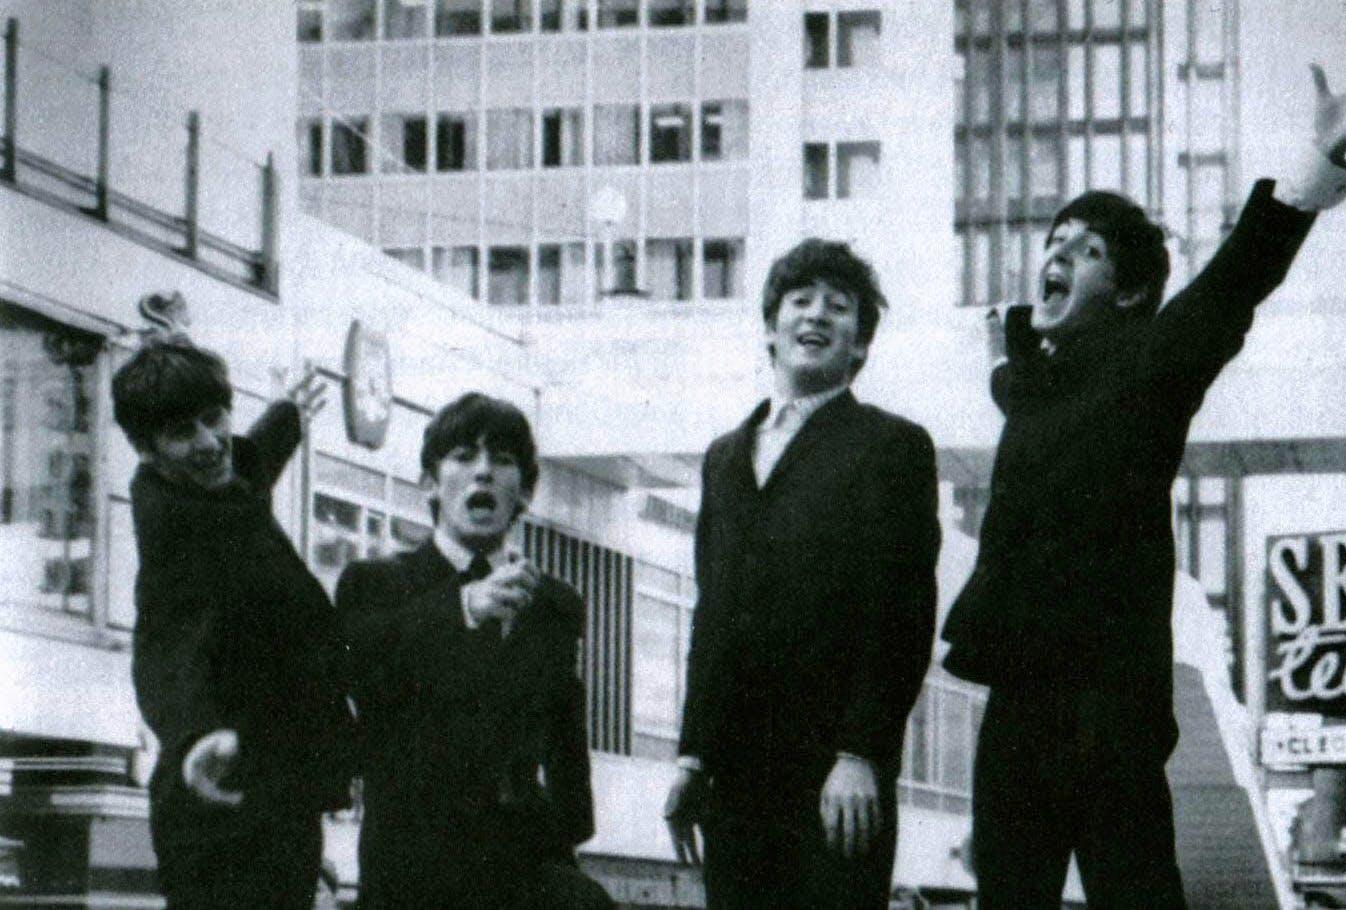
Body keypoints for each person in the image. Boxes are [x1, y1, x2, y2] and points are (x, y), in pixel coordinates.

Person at [938, 42, 1346, 908]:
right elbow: (1020, 387)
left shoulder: (1148, 365)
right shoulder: (1035, 390)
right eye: (1056, 241)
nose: (1059, 253)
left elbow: (1236, 279)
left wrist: (1319, 158)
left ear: (1127, 292)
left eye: (1085, 250)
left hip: (1107, 715)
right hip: (1018, 710)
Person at [663, 239, 941, 909]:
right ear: (770, 327)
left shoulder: (891, 447)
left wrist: (861, 753)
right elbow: (713, 615)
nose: (816, 316)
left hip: (834, 780)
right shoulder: (723, 458)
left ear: (860, 346)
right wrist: (691, 757)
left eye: (838, 307)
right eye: (800, 301)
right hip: (731, 781)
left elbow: (902, 614)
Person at [336, 392, 611, 910]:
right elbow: (363, 676)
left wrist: (565, 836)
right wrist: (462, 608)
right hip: (415, 876)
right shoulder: (374, 585)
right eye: (463, 457)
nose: (483, 473)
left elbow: (565, 737)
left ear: (525, 491)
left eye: (502, 460)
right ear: (430, 482)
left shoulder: (553, 603)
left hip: (524, 873)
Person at [117, 331, 354, 909]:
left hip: (273, 785)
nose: (208, 441)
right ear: (148, 449)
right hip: (220, 797)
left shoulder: (219, 491)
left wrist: (288, 414)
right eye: (181, 432)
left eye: (214, 416)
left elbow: (250, 457)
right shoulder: (176, 531)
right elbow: (164, 645)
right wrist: (196, 732)